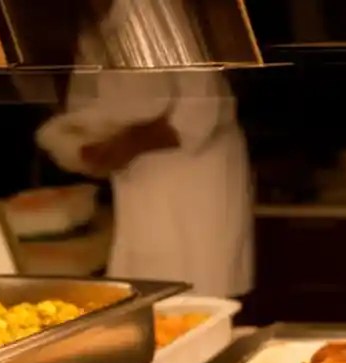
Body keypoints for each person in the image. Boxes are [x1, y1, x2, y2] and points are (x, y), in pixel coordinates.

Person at [46, 0, 253, 299]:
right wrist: (84, 148)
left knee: (200, 302)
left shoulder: (155, 8)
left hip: (195, 186)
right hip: (138, 186)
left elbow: (203, 109)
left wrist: (130, 143)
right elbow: (84, 110)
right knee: (144, 299)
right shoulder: (93, 27)